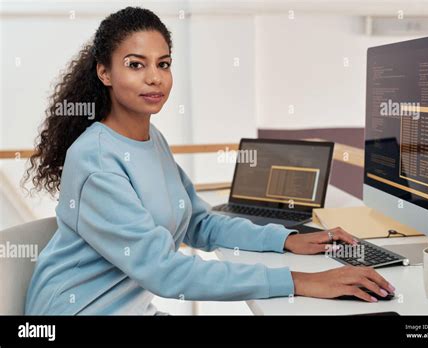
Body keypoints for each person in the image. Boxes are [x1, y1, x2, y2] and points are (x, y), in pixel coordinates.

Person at [23, 7, 395, 315]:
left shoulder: (152, 141)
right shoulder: (96, 161)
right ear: (105, 72)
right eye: (136, 65)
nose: (155, 78)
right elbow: (165, 272)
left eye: (163, 64)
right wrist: (300, 281)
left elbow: (198, 222)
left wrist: (286, 240)